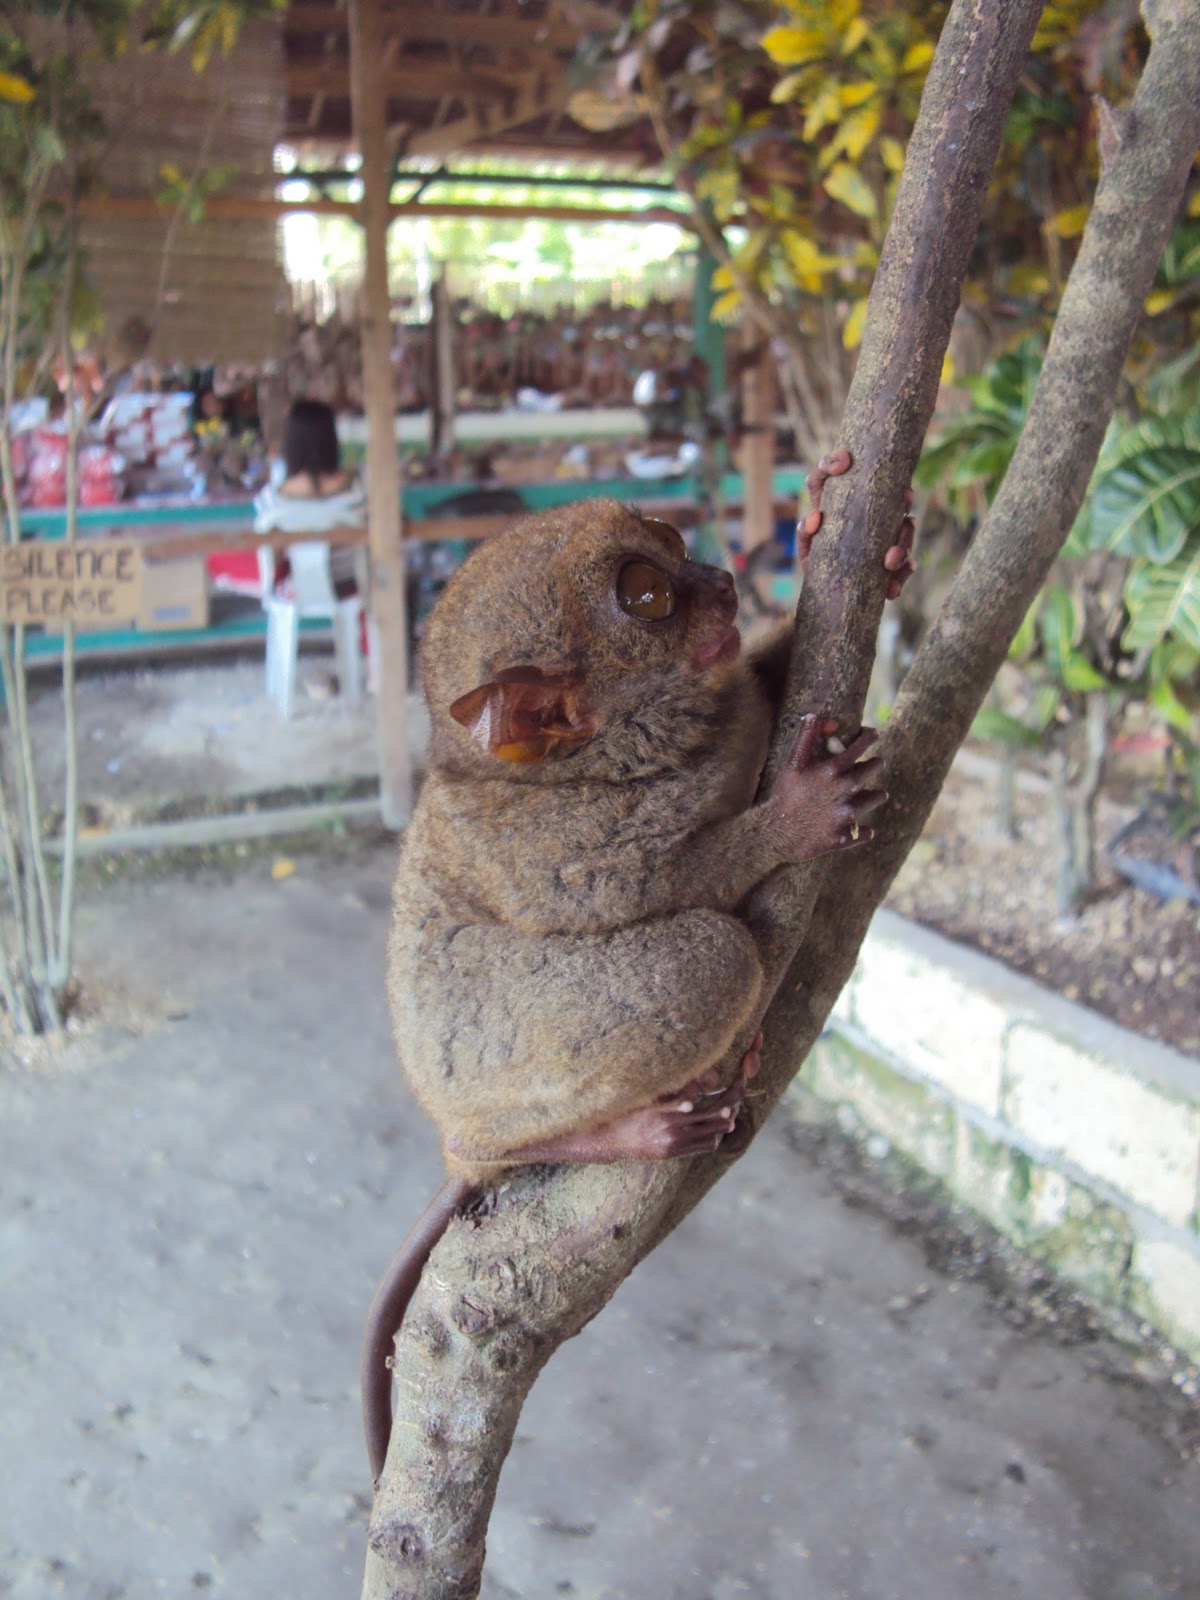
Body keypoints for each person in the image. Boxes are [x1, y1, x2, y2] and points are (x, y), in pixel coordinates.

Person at [253, 397, 365, 595]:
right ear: (332, 439)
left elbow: (272, 555)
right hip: (352, 583)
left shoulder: (271, 500)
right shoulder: (358, 489)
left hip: (297, 588)